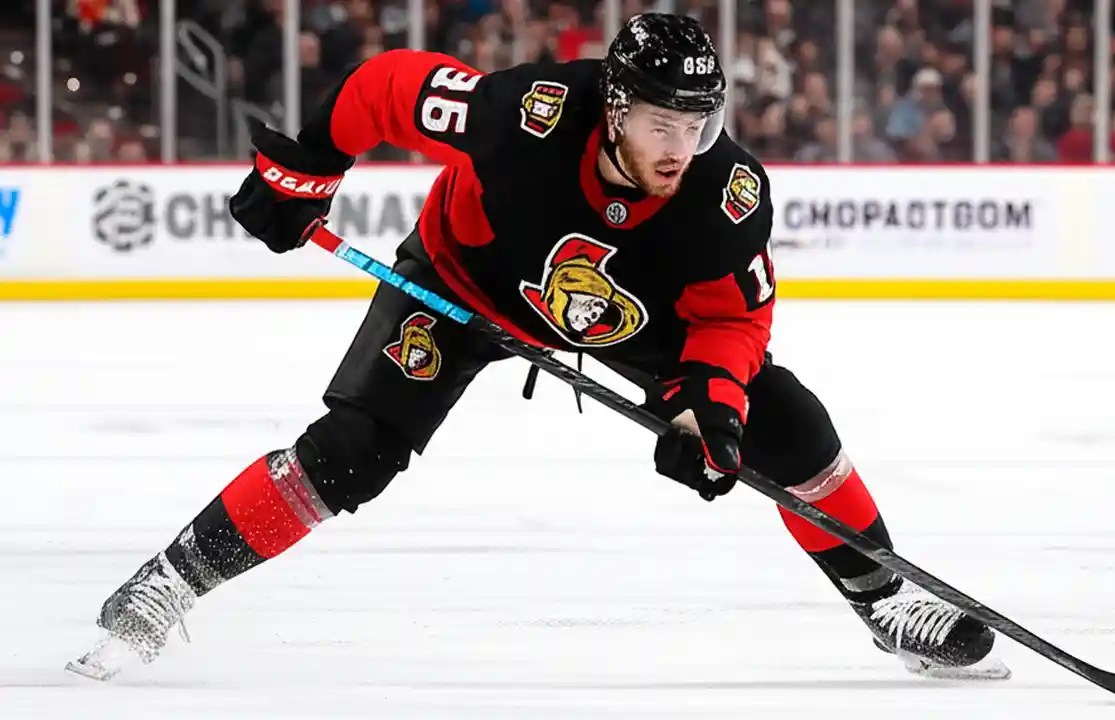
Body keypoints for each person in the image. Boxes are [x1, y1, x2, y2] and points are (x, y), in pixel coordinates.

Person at [68, 13, 1007, 682]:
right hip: (460, 280)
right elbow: (384, 88)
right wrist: (305, 169)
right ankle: (168, 583)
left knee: (788, 428)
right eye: (660, 125)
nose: (682, 147)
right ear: (614, 107)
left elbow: (732, 320)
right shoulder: (528, 113)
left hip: (629, 315)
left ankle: (883, 598)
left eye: (699, 124)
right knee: (351, 455)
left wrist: (709, 405)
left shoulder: (727, 195)